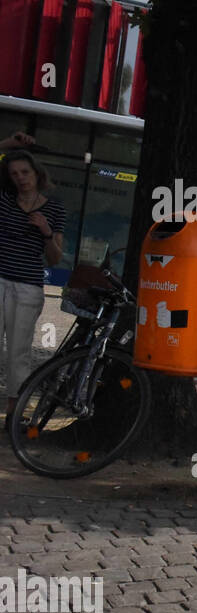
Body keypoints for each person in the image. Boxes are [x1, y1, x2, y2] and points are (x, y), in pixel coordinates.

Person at [1, 139, 66, 421]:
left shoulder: (54, 209)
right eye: (14, 174)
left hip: (27, 287)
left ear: (36, 173)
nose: (20, 179)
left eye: (24, 172)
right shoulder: (4, 199)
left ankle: (15, 409)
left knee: (18, 350)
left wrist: (46, 231)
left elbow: (55, 259)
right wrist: (7, 144)